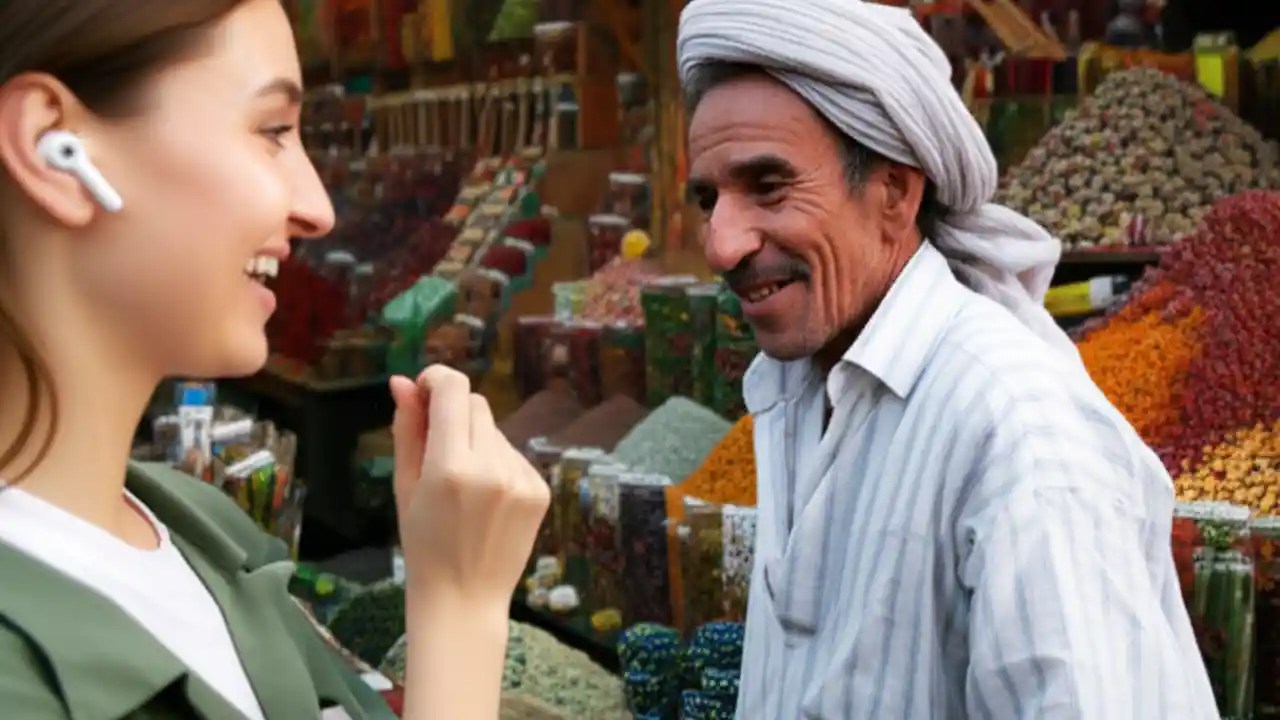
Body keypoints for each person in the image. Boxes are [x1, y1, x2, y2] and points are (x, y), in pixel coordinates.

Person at [0, 1, 546, 719]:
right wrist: (460, 613)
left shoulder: (203, 527)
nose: (318, 207)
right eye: (272, 131)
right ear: (54, 149)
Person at [676, 1, 1217, 718]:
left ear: (895, 194)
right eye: (708, 199)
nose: (722, 244)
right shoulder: (796, 390)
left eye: (769, 187)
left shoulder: (1017, 431)